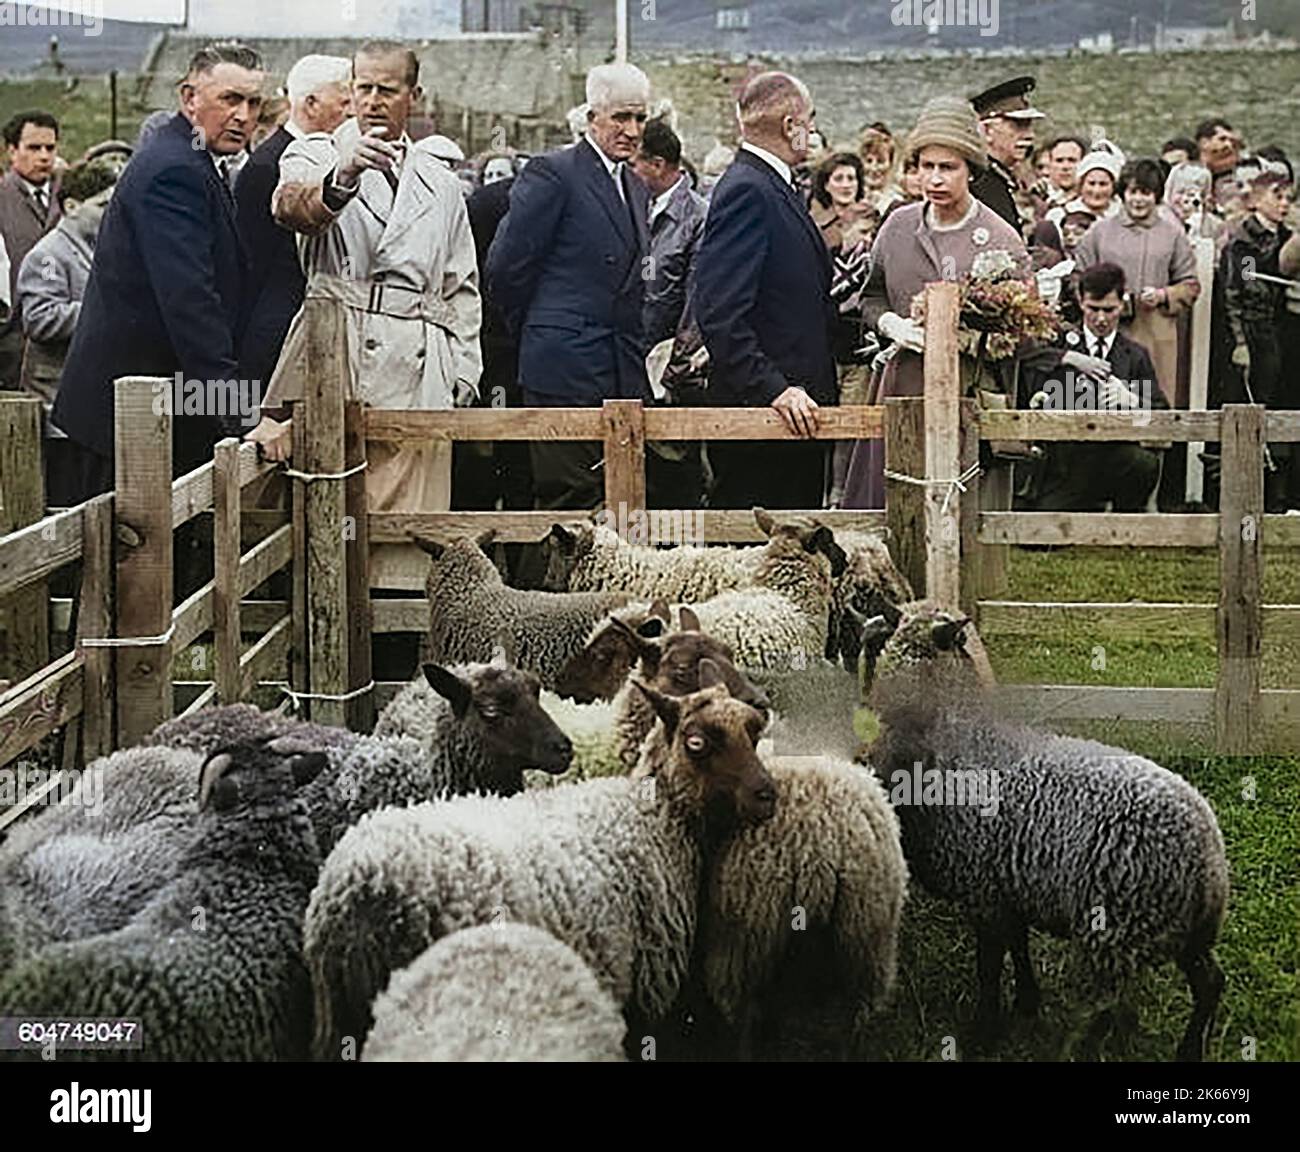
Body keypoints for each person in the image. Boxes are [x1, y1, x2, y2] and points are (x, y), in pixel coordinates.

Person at [257, 39, 482, 589]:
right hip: (341, 357)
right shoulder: (314, 152)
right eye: (363, 88)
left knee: (412, 540)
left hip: (422, 369)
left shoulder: (441, 180)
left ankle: (403, 657)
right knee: (338, 523)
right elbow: (291, 208)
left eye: (388, 89)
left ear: (414, 95)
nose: (374, 100)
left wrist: (464, 374)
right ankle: (333, 662)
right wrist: (343, 178)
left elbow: (462, 286)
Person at [52, 43, 265, 501]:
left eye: (253, 103)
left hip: (155, 411)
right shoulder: (174, 170)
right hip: (123, 422)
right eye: (230, 99)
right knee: (114, 563)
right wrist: (245, 415)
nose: (244, 116)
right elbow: (190, 302)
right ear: (190, 98)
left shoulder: (192, 160)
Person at [841, 95, 1029, 510]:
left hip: (967, 394)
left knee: (954, 510)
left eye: (948, 168)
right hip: (900, 385)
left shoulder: (1000, 239)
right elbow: (870, 296)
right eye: (926, 166)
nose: (936, 179)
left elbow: (1021, 335)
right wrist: (892, 325)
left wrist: (967, 337)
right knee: (889, 503)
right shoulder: (898, 226)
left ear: (971, 170)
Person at [486, 62, 652, 512]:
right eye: (621, 118)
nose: (633, 130)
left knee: (620, 503)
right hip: (564, 368)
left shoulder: (635, 188)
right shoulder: (553, 173)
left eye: (640, 119)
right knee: (569, 502)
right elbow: (505, 268)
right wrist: (546, 329)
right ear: (592, 117)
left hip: (619, 369)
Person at [693, 70, 835, 510]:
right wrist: (774, 388)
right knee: (757, 555)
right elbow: (719, 313)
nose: (811, 131)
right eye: (809, 121)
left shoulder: (772, 185)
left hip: (794, 415)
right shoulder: (749, 191)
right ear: (791, 125)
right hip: (766, 420)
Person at [235, 54, 352, 395]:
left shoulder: (337, 158)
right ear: (311, 103)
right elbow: (255, 263)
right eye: (344, 102)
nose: (352, 111)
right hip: (278, 332)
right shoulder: (266, 167)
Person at [1021, 261, 1168, 513]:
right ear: (1080, 301)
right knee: (1040, 537)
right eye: (1093, 309)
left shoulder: (1134, 355)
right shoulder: (1057, 343)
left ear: (1122, 304)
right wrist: (1067, 357)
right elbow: (1024, 356)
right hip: (1066, 460)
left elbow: (1161, 412)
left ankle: (1126, 521)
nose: (1101, 319)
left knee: (1143, 464)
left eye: (1109, 310)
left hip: (1113, 455)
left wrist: (1133, 400)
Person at [15, 158, 118, 506]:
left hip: (86, 401)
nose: (110, 214)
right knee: (67, 498)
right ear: (72, 206)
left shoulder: (97, 249)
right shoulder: (47, 256)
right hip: (56, 405)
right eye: (103, 205)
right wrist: (100, 314)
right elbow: (40, 317)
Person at [1073, 157, 1201, 425]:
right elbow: (1077, 278)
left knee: (1152, 407)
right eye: (1133, 192)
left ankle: (1157, 459)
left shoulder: (1173, 235)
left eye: (1146, 193)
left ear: (1157, 195)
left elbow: (1190, 285)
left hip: (1156, 333)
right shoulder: (1099, 232)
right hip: (1108, 330)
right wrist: (1102, 302)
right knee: (1103, 403)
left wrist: (1164, 295)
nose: (1139, 200)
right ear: (1122, 194)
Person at [1218, 162, 1294, 510]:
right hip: (1251, 331)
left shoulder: (1285, 238)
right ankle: (1244, 491)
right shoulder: (1244, 241)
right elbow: (1237, 292)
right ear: (1257, 199)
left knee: (1280, 404)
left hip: (1277, 332)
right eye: (1277, 197)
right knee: (1251, 405)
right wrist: (1241, 344)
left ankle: (1278, 491)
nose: (1284, 204)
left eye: (1288, 198)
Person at [633, 117, 708, 349]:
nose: (627, 172)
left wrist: (677, 366)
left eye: (633, 165)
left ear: (657, 165)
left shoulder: (698, 219)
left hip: (660, 359)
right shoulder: (632, 206)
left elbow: (695, 306)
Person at [0, 110, 61, 387]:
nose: (44, 156)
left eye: (50, 147)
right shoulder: (3, 199)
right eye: (34, 148)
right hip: (12, 341)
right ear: (12, 151)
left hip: (58, 340)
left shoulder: (68, 195)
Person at [969, 76, 1044, 237]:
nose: (1030, 135)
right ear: (988, 130)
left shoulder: (1004, 178)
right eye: (1018, 126)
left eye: (1030, 126)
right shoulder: (979, 181)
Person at [1033, 147, 1122, 264]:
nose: (1096, 190)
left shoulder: (1122, 216)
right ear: (1081, 184)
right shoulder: (1058, 215)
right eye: (1091, 183)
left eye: (1103, 184)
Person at [858, 123, 903, 216]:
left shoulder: (897, 201)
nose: (873, 168)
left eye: (880, 162)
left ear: (891, 164)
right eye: (868, 161)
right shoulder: (851, 195)